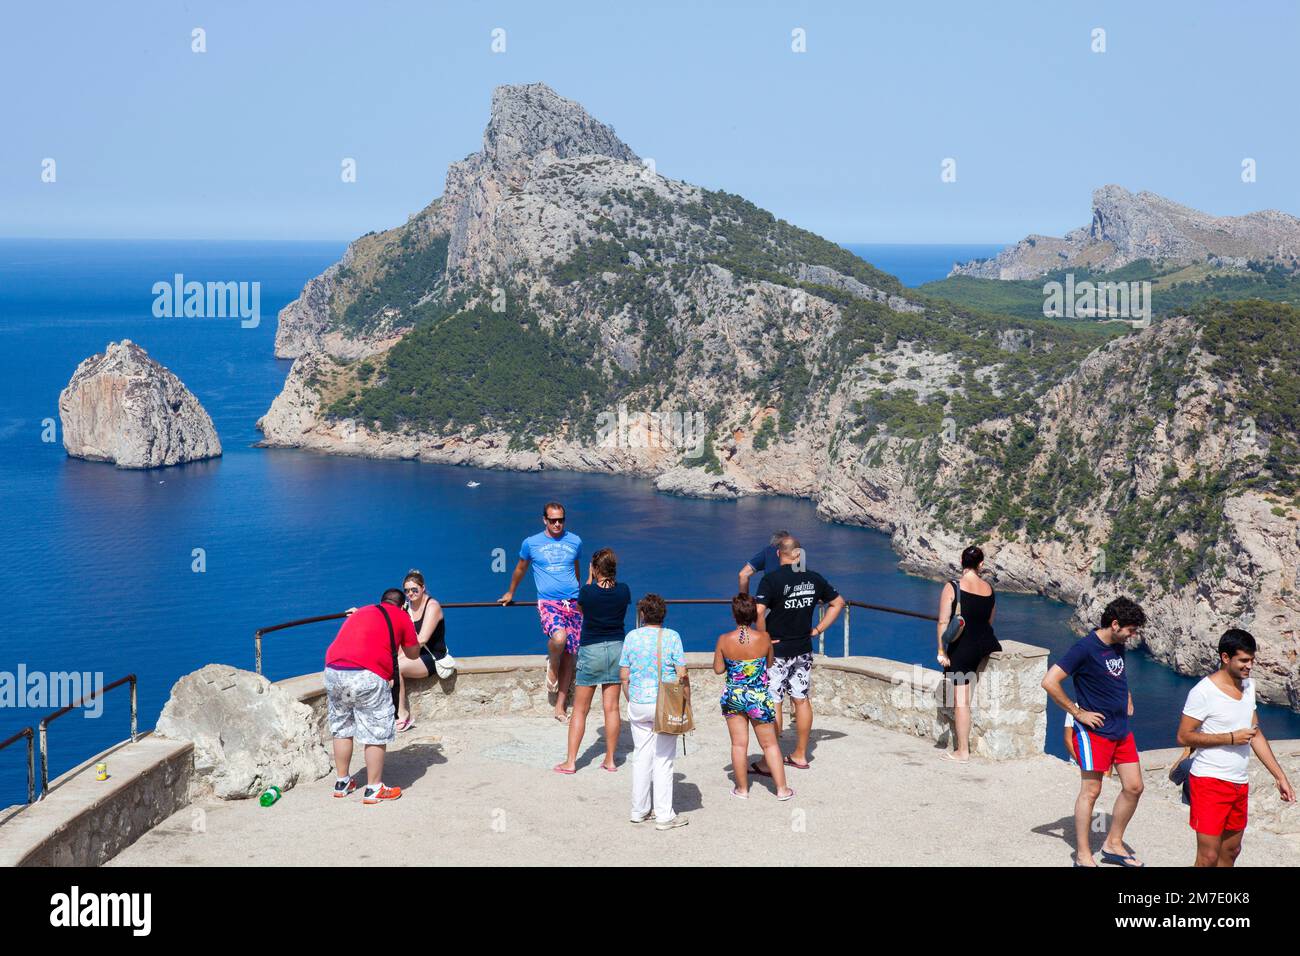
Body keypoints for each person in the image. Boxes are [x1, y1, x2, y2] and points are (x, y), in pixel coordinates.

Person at [1041, 596, 1148, 866]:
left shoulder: (1117, 645)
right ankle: (1083, 854)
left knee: (1134, 787)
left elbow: (1117, 675)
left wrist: (1127, 696)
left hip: (1121, 729)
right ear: (1115, 624)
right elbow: (1049, 681)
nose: (1132, 636)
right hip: (1094, 733)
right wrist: (1078, 713)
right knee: (1091, 791)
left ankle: (1113, 843)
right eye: (1130, 630)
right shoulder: (1084, 648)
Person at [1176, 629, 1295, 867]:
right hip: (1209, 780)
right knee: (1208, 857)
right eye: (1243, 660)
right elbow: (1183, 736)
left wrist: (1280, 776)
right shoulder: (1203, 692)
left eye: (1251, 660)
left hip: (1238, 782)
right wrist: (1230, 738)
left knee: (1231, 851)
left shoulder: (1249, 686)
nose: (1249, 666)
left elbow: (1255, 733)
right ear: (1225, 657)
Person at [751, 535, 845, 773]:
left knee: (774, 702)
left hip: (777, 650)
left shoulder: (772, 580)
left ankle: (769, 760)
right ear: (798, 554)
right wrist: (818, 629)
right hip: (803, 648)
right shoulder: (814, 579)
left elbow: (758, 612)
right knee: (801, 700)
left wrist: (763, 639)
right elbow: (838, 603)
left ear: (778, 554)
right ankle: (801, 755)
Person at [324, 588, 420, 804]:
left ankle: (342, 783)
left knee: (342, 725)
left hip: (335, 673)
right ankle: (374, 788)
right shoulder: (401, 615)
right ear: (402, 605)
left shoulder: (363, 611)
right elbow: (413, 654)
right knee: (376, 730)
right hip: (365, 675)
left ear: (382, 601)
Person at [499, 501, 583, 722]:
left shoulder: (575, 541)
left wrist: (580, 594)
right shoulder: (531, 543)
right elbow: (520, 567)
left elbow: (575, 568)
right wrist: (510, 592)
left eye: (561, 520)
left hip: (573, 603)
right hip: (548, 602)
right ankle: (552, 663)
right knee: (559, 638)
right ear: (544, 519)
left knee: (570, 656)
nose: (557, 524)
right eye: (553, 520)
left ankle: (560, 707)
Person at [555, 548, 630, 774]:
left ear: (595, 569)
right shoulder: (624, 591)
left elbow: (580, 608)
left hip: (592, 650)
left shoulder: (587, 592)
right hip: (617, 649)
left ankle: (570, 762)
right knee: (612, 708)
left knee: (580, 709)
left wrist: (588, 579)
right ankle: (610, 760)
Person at [714, 593, 794, 800]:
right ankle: (782, 790)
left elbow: (718, 669)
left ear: (734, 615)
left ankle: (742, 789)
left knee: (739, 744)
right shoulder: (764, 638)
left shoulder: (724, 640)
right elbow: (768, 664)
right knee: (770, 745)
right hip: (758, 696)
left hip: (734, 696)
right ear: (753, 615)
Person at [619, 593, 689, 830]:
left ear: (642, 615)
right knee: (663, 759)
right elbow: (681, 672)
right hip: (664, 702)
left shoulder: (631, 637)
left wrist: (632, 700)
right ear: (663, 615)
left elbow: (624, 677)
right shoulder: (672, 637)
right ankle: (664, 816)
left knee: (641, 756)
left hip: (638, 702)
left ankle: (638, 811)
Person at [935, 545, 1001, 761]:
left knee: (961, 702)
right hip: (986, 645)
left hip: (963, 650)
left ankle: (962, 751)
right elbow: (989, 620)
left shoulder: (953, 587)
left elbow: (944, 622)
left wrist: (942, 651)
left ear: (962, 562)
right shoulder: (989, 589)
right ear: (981, 564)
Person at [394, 569, 447, 732]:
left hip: (432, 657)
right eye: (407, 590)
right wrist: (359, 613)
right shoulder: (406, 607)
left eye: (414, 589)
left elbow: (423, 639)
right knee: (388, 664)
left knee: (397, 668)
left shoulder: (432, 606)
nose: (410, 593)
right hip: (413, 652)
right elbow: (387, 617)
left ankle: (402, 714)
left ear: (423, 588)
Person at [738, 529, 790, 594]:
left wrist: (744, 599)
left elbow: (743, 574)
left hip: (770, 598)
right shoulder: (797, 553)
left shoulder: (768, 552)